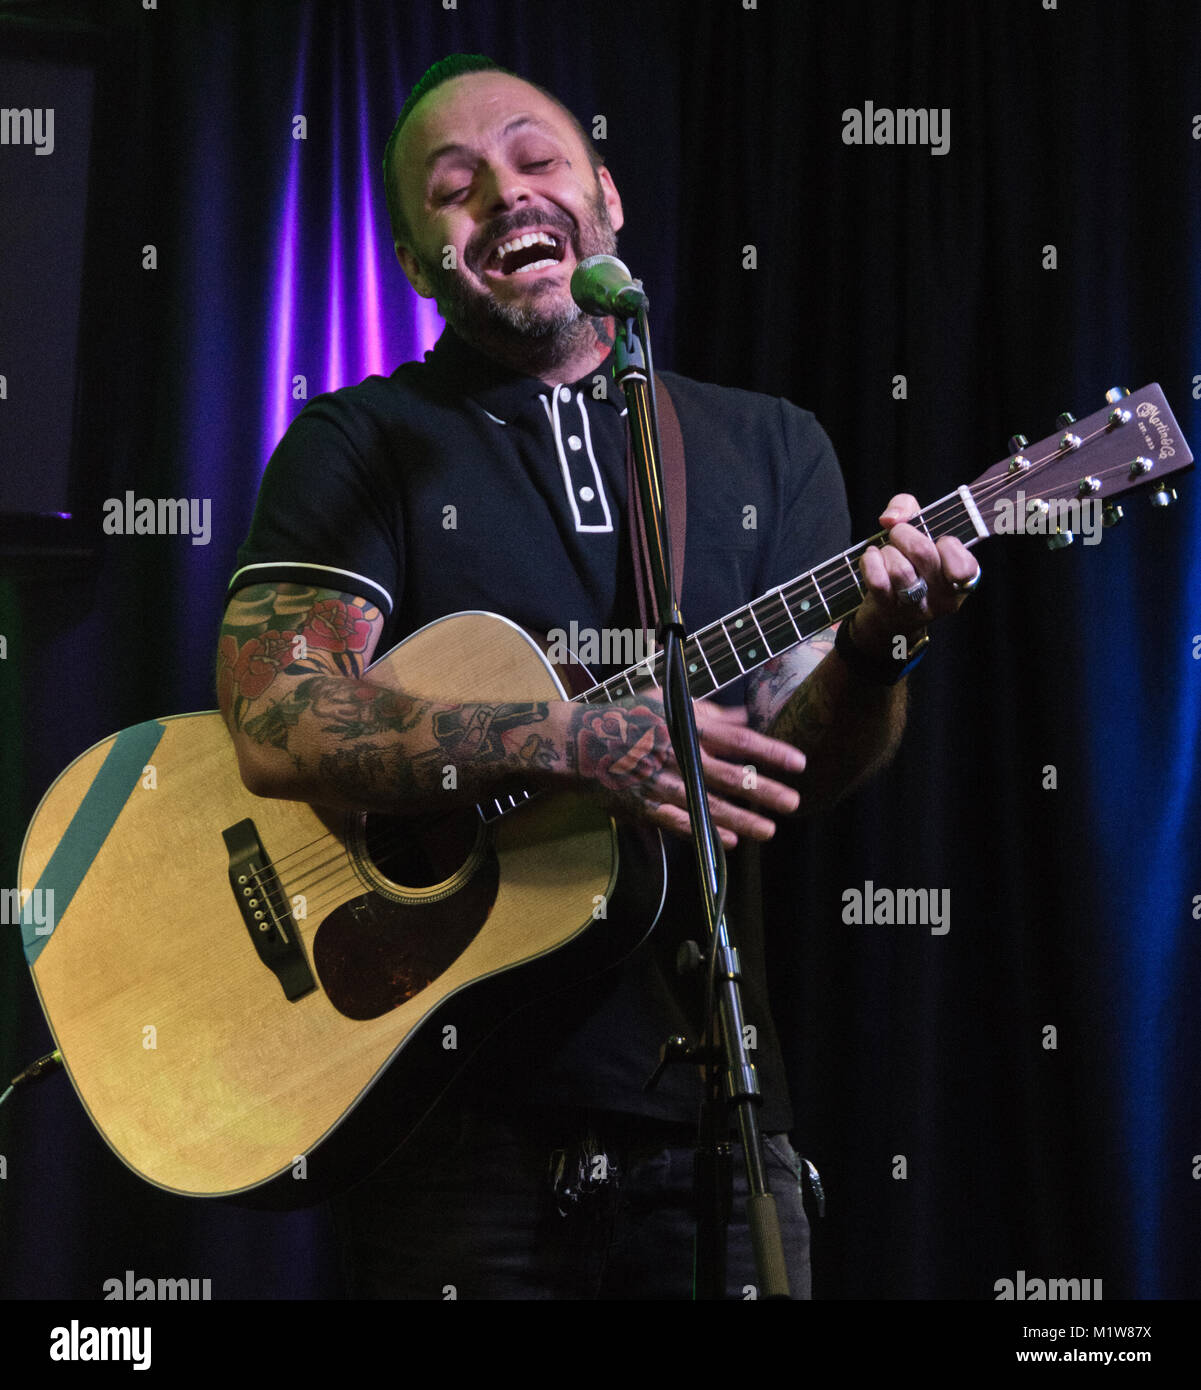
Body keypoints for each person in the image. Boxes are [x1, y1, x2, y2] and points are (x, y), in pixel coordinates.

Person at [216, 53, 980, 1299]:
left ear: (607, 199)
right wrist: (563, 741)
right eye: (454, 188)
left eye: (537, 159)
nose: (505, 196)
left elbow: (795, 761)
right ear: (418, 264)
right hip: (447, 1132)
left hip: (713, 1128)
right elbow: (274, 715)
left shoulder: (770, 444)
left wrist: (880, 644)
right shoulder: (359, 442)